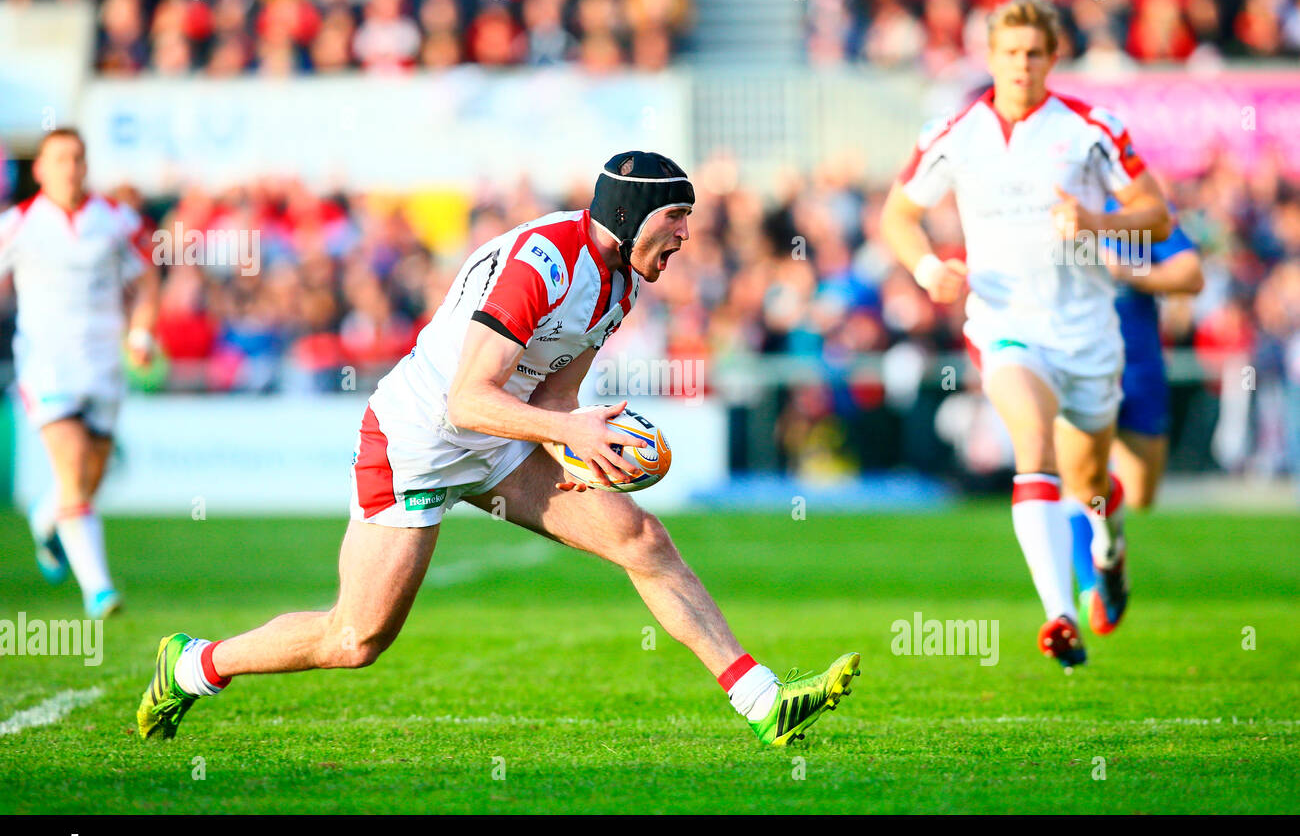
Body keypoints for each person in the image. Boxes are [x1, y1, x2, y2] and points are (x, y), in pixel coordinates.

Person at [137, 151, 859, 745]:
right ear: (632, 215)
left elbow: (550, 402)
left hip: (505, 440)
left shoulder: (620, 287)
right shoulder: (543, 263)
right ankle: (194, 664)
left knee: (642, 538)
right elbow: (467, 398)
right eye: (675, 218)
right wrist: (571, 434)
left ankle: (764, 702)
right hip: (418, 441)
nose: (685, 236)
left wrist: (582, 451)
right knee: (355, 639)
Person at [879, 0, 1173, 669]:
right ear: (990, 57)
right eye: (1010, 53)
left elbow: (1155, 216)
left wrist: (1097, 225)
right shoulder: (953, 133)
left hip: (1088, 333)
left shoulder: (1092, 129)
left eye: (1034, 52)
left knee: (1089, 478)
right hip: (1007, 325)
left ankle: (1108, 543)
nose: (1022, 64)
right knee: (1032, 445)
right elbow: (899, 213)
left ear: (1053, 57)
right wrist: (928, 268)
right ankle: (1059, 614)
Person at [0, 128, 159, 618]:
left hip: (104, 365)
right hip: (46, 365)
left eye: (78, 158)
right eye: (59, 159)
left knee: (89, 476)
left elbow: (147, 278)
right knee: (70, 466)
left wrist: (141, 333)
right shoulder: (17, 224)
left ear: (87, 166)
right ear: (41, 168)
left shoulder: (116, 220)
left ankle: (47, 520)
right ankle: (100, 590)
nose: (69, 167)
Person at [1069, 196, 1202, 596]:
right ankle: (1093, 586)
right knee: (1073, 475)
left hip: (1139, 367)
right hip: (1078, 363)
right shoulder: (1051, 210)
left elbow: (1191, 276)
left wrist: (1128, 272)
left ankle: (1110, 526)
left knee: (1141, 492)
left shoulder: (1134, 213)